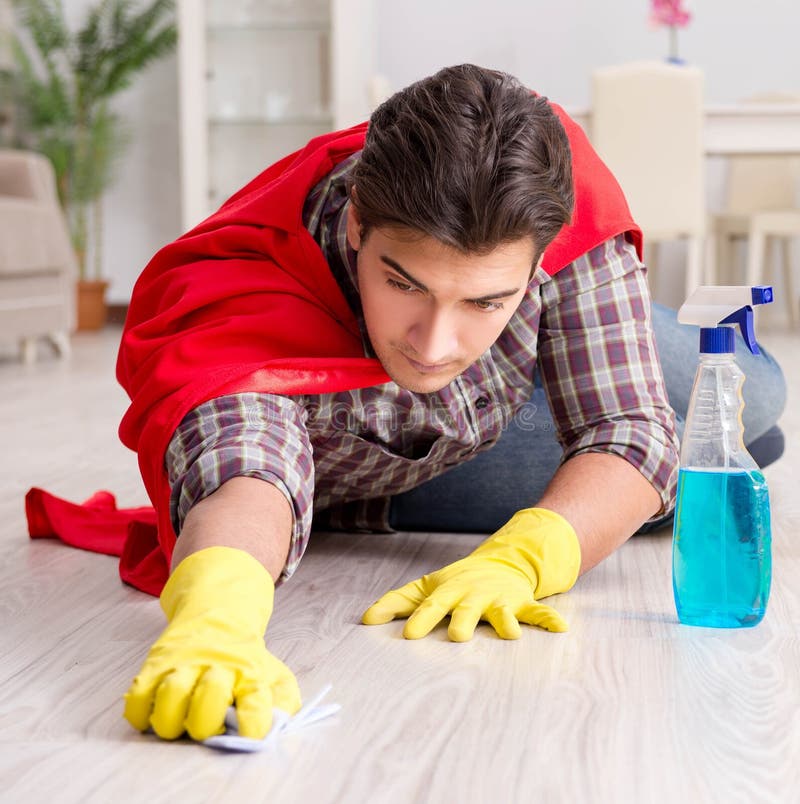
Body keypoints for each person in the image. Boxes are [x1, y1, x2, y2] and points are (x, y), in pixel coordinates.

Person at [111, 64, 785, 743]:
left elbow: (629, 425)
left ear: (541, 256)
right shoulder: (244, 286)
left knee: (756, 394)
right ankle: (617, 426)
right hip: (380, 466)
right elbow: (246, 462)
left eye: (485, 300)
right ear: (356, 224)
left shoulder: (561, 200)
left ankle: (576, 376)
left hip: (500, 394)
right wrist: (217, 612)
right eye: (404, 285)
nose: (434, 343)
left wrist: (525, 556)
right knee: (715, 447)